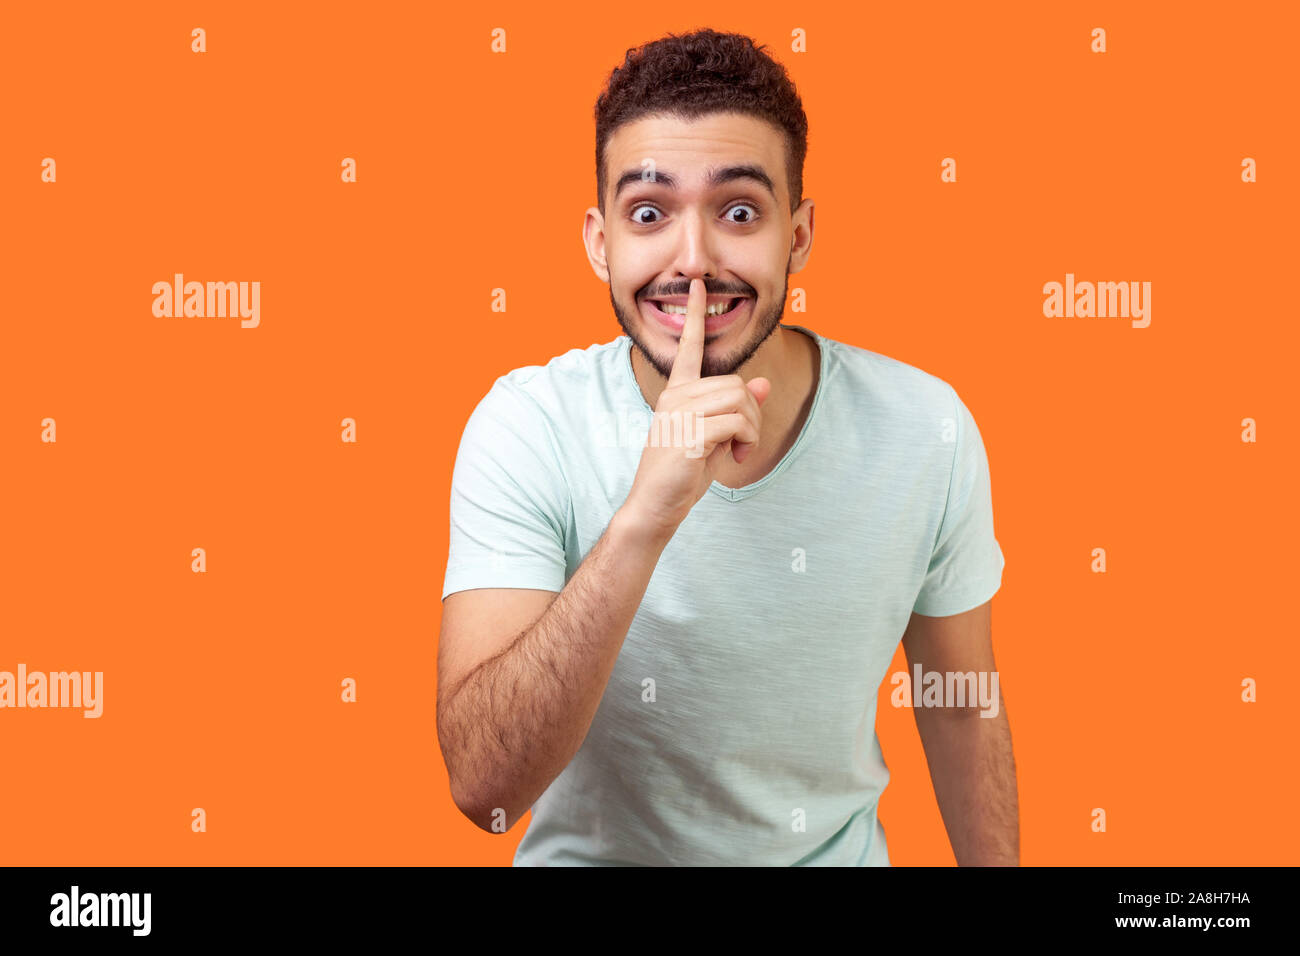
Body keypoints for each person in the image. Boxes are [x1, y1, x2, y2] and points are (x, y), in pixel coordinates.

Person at [437, 27, 1018, 866]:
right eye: (649, 213)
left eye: (739, 211)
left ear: (801, 236)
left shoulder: (926, 427)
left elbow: (959, 702)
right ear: (601, 243)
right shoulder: (526, 427)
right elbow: (483, 789)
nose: (695, 262)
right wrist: (646, 515)